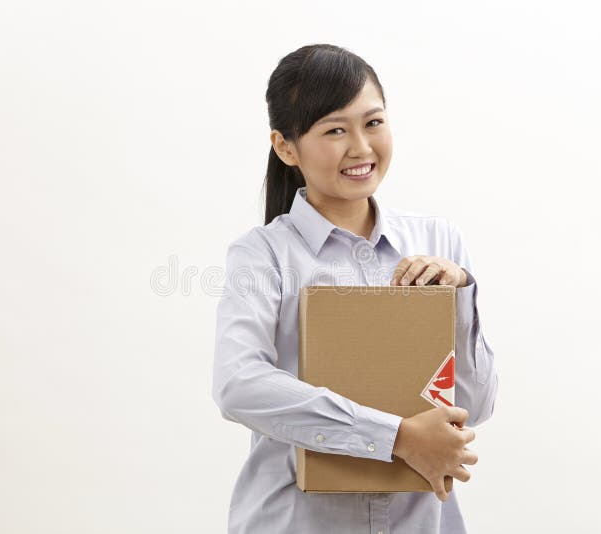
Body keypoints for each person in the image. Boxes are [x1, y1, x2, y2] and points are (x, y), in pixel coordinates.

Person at [211, 43, 498, 534]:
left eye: (373, 123)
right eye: (334, 130)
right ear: (285, 147)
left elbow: (478, 404)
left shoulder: (439, 241)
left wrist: (460, 296)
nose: (361, 148)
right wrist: (395, 437)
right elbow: (239, 386)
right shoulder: (262, 255)